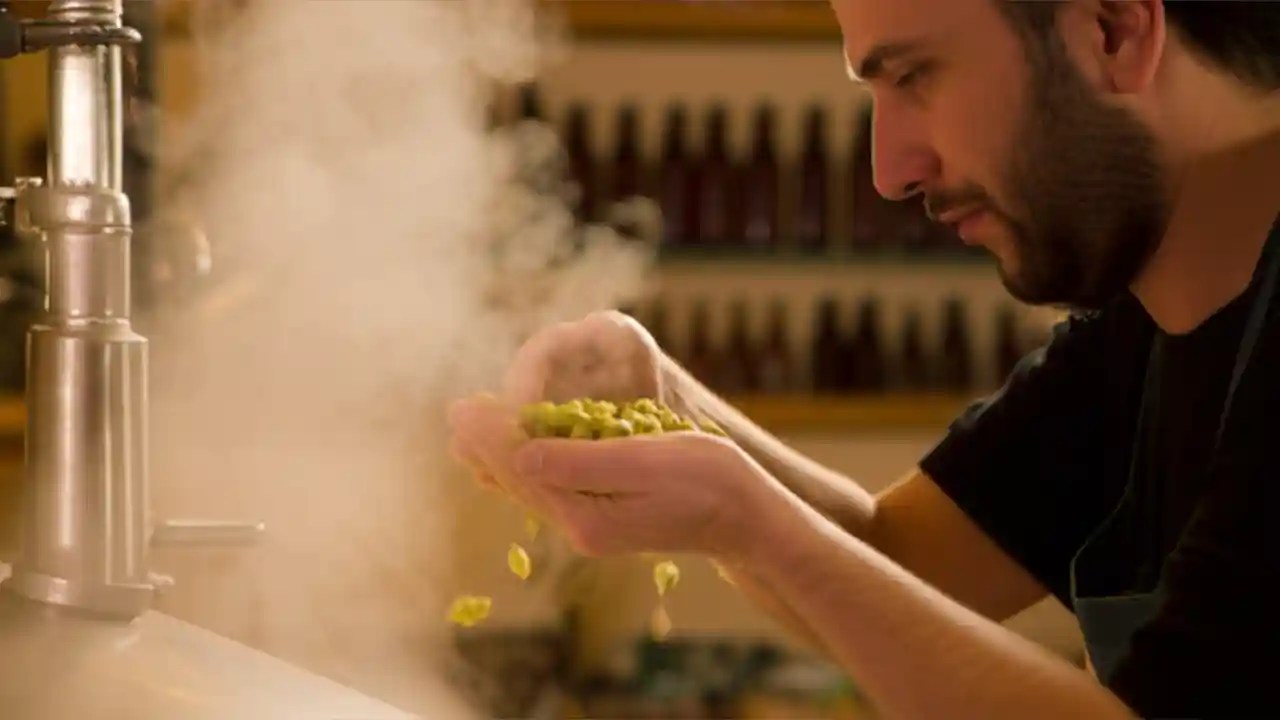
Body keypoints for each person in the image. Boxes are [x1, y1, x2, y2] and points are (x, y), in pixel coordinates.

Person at [449, 1, 1280, 717]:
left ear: (1113, 32)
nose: (889, 172)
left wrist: (750, 523)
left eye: (916, 75)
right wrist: (666, 401)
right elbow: (904, 561)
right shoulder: (1143, 319)